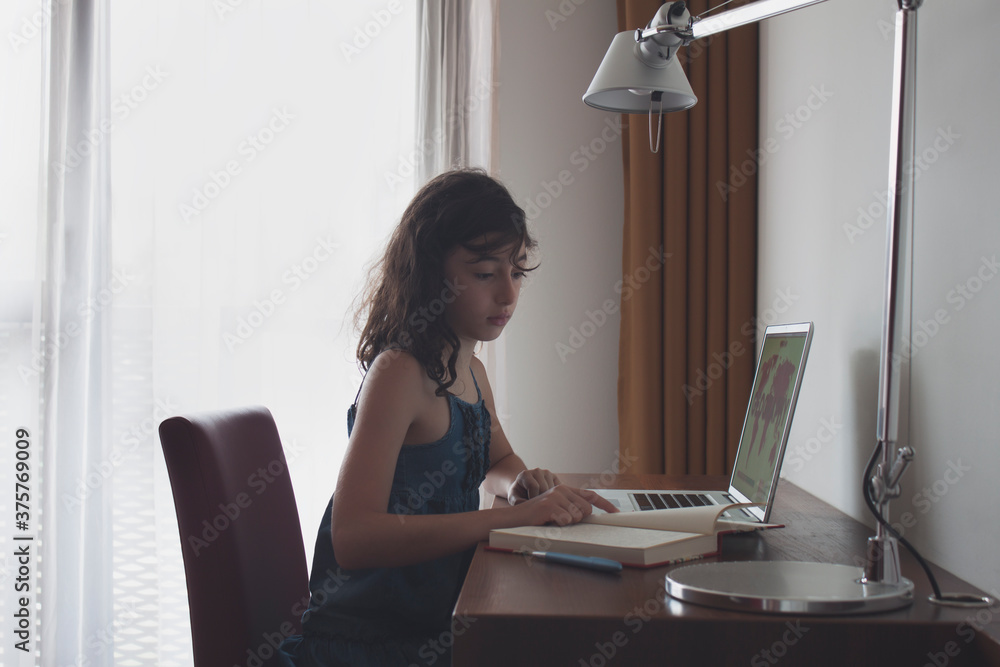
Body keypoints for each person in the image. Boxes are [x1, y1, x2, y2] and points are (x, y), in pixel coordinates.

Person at [279, 169, 616, 667]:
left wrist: (522, 483)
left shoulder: (472, 369)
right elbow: (353, 537)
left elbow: (498, 457)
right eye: (485, 273)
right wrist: (515, 517)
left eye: (517, 272)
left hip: (436, 625)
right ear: (430, 274)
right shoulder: (398, 373)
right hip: (369, 646)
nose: (508, 294)